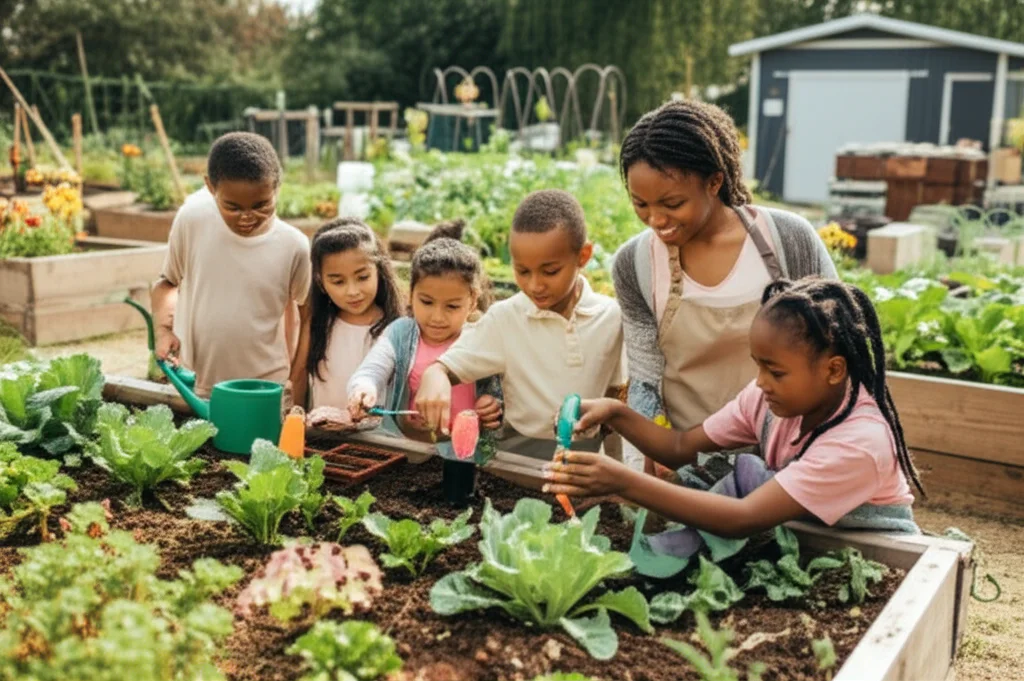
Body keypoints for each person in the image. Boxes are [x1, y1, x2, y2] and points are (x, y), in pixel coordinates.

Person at [543, 278, 924, 553]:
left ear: (834, 370)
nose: (760, 383)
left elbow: (742, 517)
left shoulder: (860, 442)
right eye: (758, 366)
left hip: (877, 558)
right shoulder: (768, 399)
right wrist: (617, 413)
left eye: (775, 372)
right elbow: (679, 446)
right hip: (807, 540)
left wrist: (623, 482)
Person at [612, 99, 837, 481]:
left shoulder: (787, 241)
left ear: (715, 182)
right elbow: (646, 376)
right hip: (687, 458)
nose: (656, 219)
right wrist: (655, 443)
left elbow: (838, 344)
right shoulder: (635, 265)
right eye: (641, 204)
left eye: (672, 203)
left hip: (787, 460)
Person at [412, 190, 627, 460]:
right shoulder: (506, 318)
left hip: (584, 462)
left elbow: (618, 396)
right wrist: (435, 375)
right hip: (517, 461)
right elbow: (447, 366)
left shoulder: (611, 317)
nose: (534, 285)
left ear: (583, 256)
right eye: (522, 271)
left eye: (550, 271)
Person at [153, 132, 311, 402]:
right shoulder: (192, 220)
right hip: (198, 385)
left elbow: (306, 315)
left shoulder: (293, 245)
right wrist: (164, 330)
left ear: (277, 188)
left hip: (265, 389)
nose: (247, 217)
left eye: (262, 205)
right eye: (233, 207)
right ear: (211, 187)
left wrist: (295, 382)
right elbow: (166, 283)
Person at [347, 221, 503, 461]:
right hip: (403, 451)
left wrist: (490, 406)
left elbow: (496, 396)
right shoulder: (401, 333)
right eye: (427, 302)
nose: (437, 317)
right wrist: (363, 389)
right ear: (411, 295)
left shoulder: (479, 339)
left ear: (472, 302)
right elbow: (372, 370)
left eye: (452, 306)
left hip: (463, 458)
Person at [289, 218, 403, 410]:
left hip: (377, 438)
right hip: (324, 434)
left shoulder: (397, 327)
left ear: (379, 270)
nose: (352, 291)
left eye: (362, 277)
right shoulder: (318, 322)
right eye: (338, 282)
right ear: (320, 281)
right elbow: (299, 375)